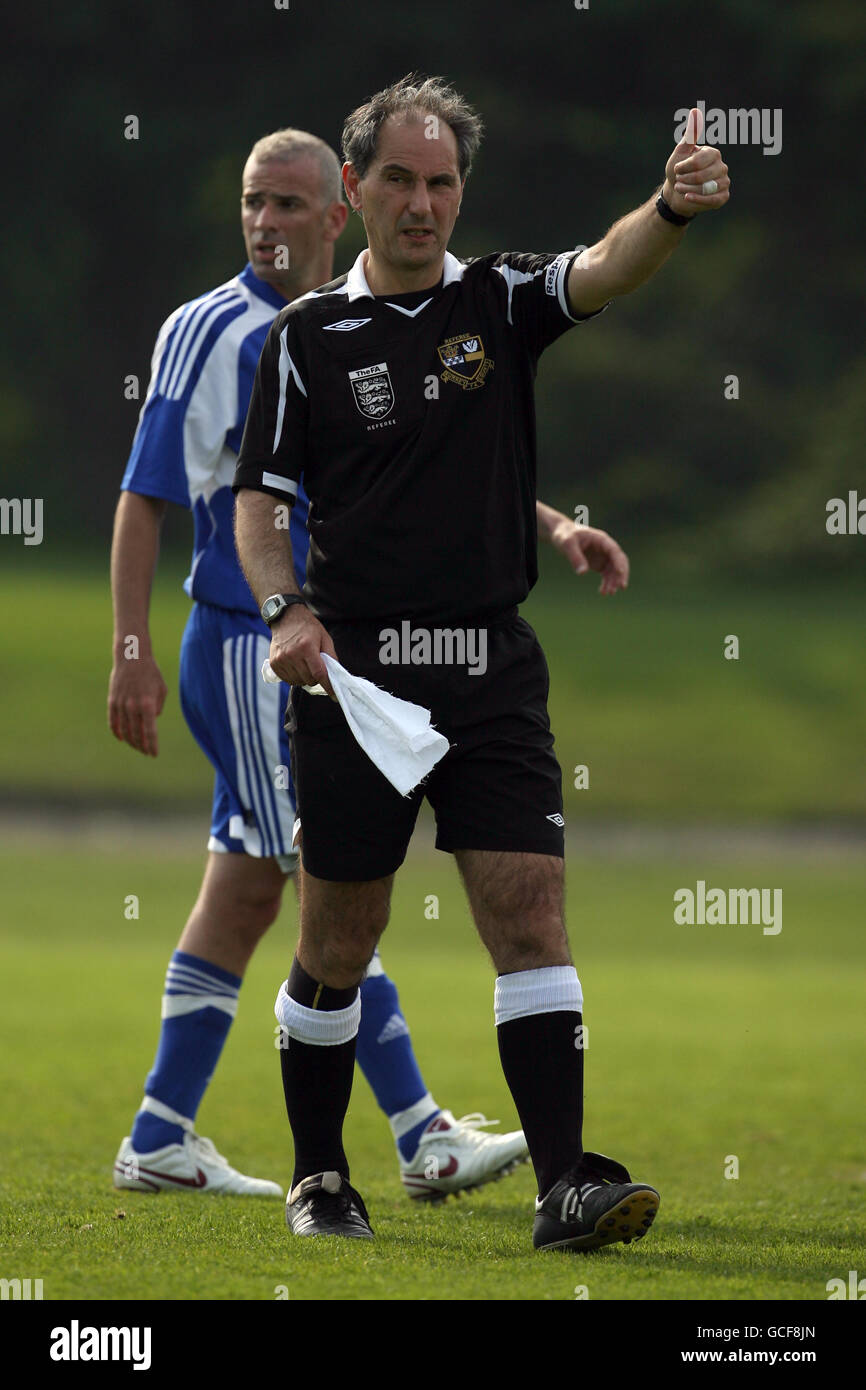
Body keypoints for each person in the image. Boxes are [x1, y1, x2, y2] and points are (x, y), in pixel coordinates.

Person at [233, 75, 729, 1248]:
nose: (422, 203)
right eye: (399, 180)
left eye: (442, 181)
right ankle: (319, 1176)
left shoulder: (500, 298)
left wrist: (665, 208)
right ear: (352, 191)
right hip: (355, 678)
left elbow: (605, 267)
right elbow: (261, 507)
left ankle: (564, 1186)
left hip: (491, 666)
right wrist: (283, 611)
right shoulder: (303, 340)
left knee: (529, 911)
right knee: (337, 942)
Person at [108, 127, 598, 1204]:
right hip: (258, 643)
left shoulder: (367, 326)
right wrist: (130, 646)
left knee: (246, 891)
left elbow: (397, 488)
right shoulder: (214, 328)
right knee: (329, 894)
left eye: (288, 204)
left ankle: (156, 1129)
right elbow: (148, 494)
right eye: (252, 202)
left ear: (337, 213)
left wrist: (550, 523)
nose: (266, 222)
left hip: (339, 646)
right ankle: (417, 1130)